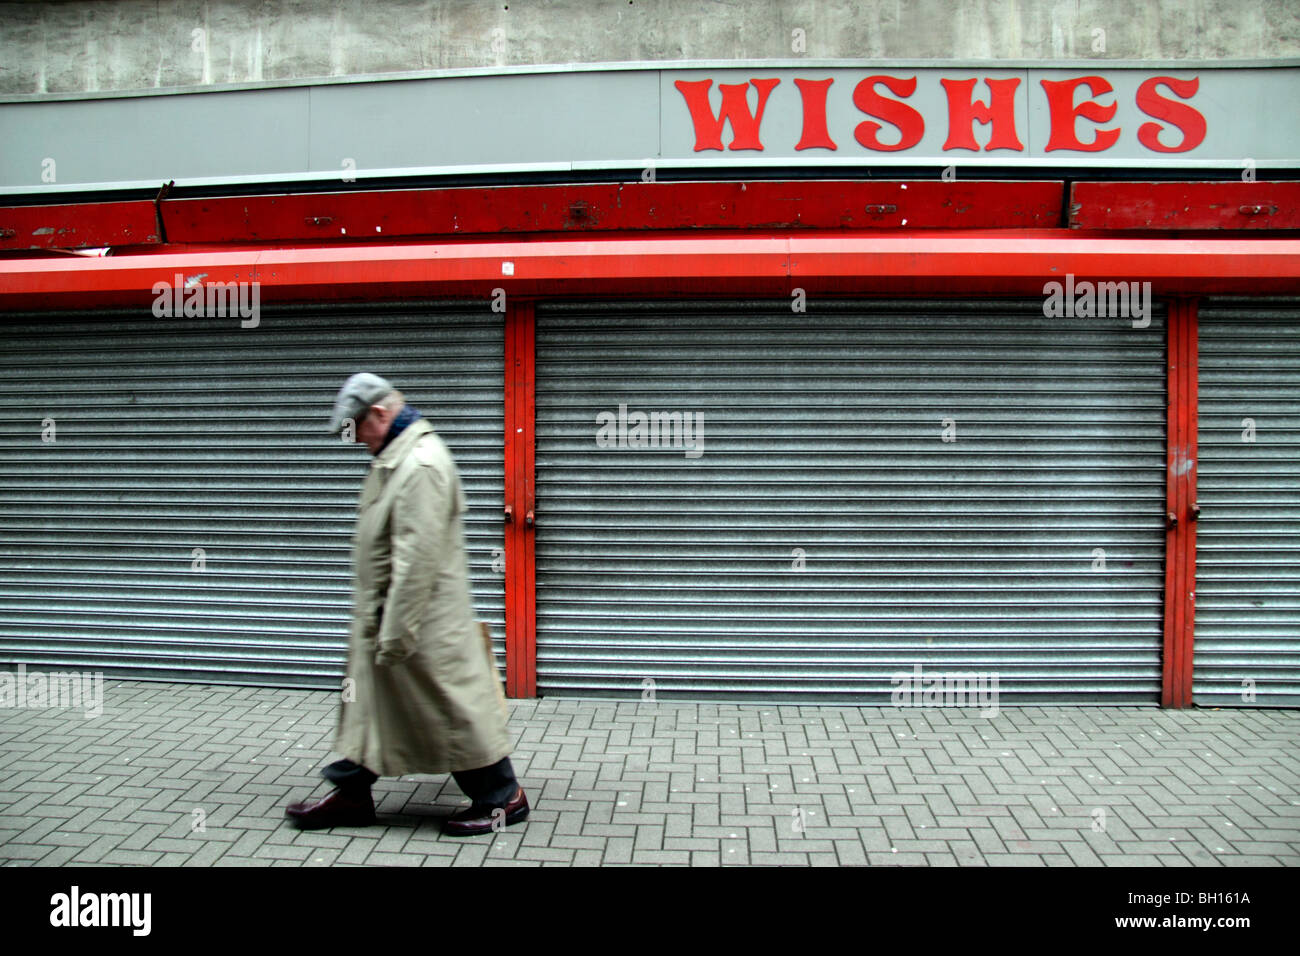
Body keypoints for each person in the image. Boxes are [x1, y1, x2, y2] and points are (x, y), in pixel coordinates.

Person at [285, 372, 528, 836]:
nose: (354, 436)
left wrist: (395, 635)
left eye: (357, 425)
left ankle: (504, 798)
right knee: (375, 707)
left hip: (419, 624)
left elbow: (417, 563)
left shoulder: (420, 465)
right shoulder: (394, 459)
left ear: (379, 412)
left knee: (451, 713)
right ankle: (352, 793)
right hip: (390, 618)